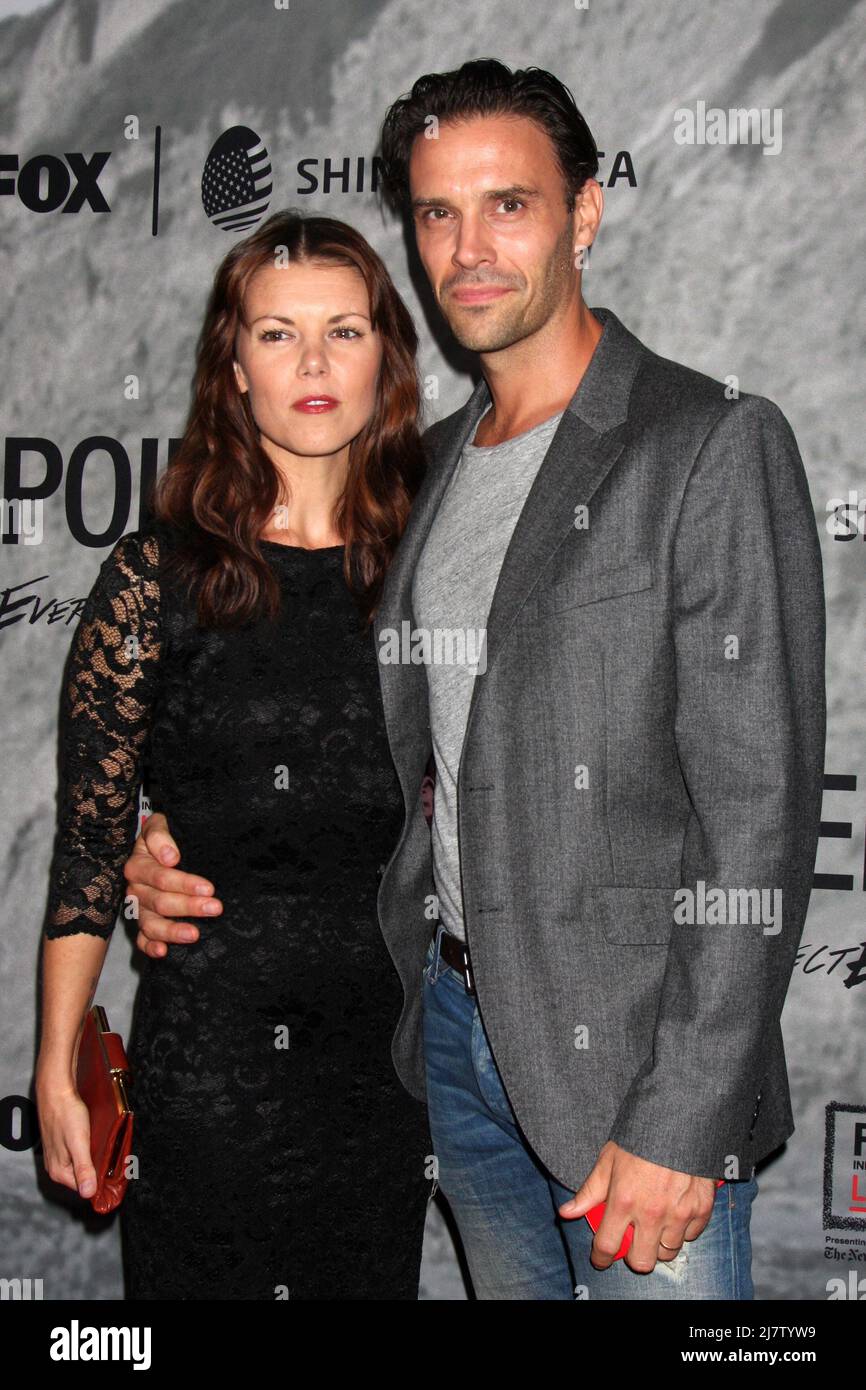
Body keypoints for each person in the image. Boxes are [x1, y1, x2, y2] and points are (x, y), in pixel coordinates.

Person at [124, 61, 826, 1300]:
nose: (468, 247)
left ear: (585, 215)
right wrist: (180, 843)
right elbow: (357, 738)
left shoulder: (707, 442)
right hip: (447, 1047)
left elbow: (756, 821)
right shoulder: (423, 472)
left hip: (635, 1073)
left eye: (508, 204)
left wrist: (682, 1114)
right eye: (438, 213)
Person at [35, 210, 433, 1300]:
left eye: (343, 331)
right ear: (233, 369)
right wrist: (55, 1062)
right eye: (275, 333)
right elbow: (89, 846)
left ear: (386, 362)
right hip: (205, 1073)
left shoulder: (434, 573)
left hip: (384, 1081)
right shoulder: (152, 580)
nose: (311, 363)